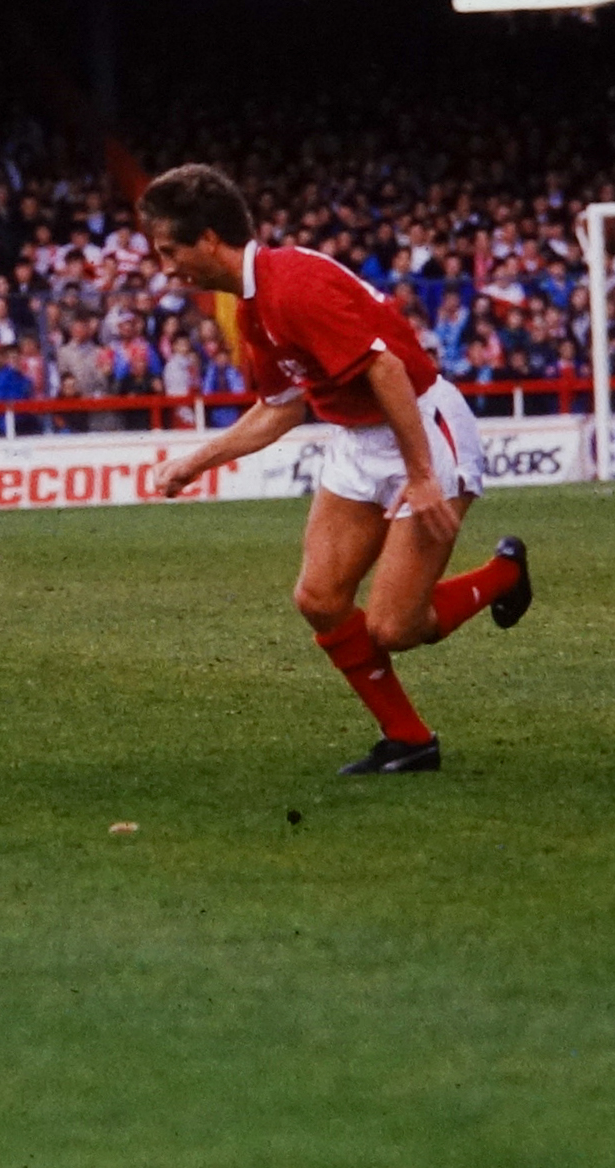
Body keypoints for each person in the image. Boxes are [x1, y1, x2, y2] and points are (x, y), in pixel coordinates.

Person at [137, 164, 533, 776]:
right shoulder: (251, 308)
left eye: (170, 250)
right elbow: (282, 408)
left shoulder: (292, 284)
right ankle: (409, 739)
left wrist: (422, 476)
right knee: (320, 598)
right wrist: (193, 463)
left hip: (422, 427)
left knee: (396, 626)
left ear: (209, 240)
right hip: (357, 439)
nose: (166, 266)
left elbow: (388, 372)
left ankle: (504, 574)